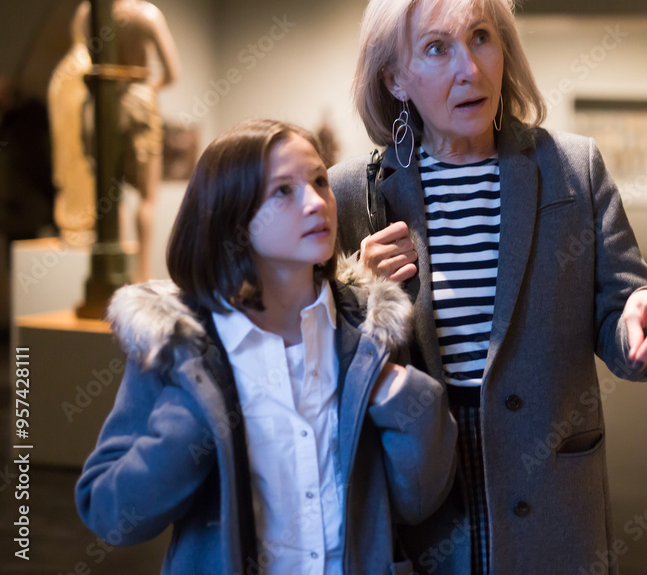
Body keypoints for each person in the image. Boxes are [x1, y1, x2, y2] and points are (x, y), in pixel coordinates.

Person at [328, 0, 647, 574]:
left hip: (551, 493)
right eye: (436, 49)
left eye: (481, 38)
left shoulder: (570, 170)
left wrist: (644, 321)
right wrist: (359, 296)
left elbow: (620, 306)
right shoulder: (354, 193)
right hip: (418, 494)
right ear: (396, 78)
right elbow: (318, 368)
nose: (468, 68)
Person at [76, 118, 458, 574]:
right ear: (231, 214)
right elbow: (111, 515)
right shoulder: (180, 349)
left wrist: (404, 395)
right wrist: (194, 414)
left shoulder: (369, 335)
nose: (317, 202)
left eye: (320, 180)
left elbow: (419, 502)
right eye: (283, 191)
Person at [49, 0, 180, 279]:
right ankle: (142, 272)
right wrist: (145, 86)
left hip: (100, 106)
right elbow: (171, 72)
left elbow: (81, 62)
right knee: (147, 196)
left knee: (113, 194)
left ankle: (117, 271)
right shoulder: (147, 15)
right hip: (138, 101)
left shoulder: (86, 12)